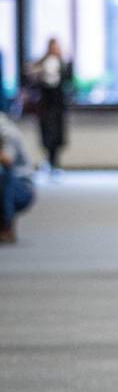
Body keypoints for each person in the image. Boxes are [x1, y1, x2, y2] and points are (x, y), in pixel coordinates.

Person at [29, 38, 73, 172]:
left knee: (57, 134)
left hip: (58, 104)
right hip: (45, 104)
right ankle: (49, 160)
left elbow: (68, 81)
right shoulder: (40, 64)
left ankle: (55, 162)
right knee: (47, 133)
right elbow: (30, 81)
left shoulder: (63, 64)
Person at [0, 110, 36, 243]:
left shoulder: (7, 133)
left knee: (3, 173)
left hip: (22, 189)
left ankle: (6, 224)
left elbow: (7, 160)